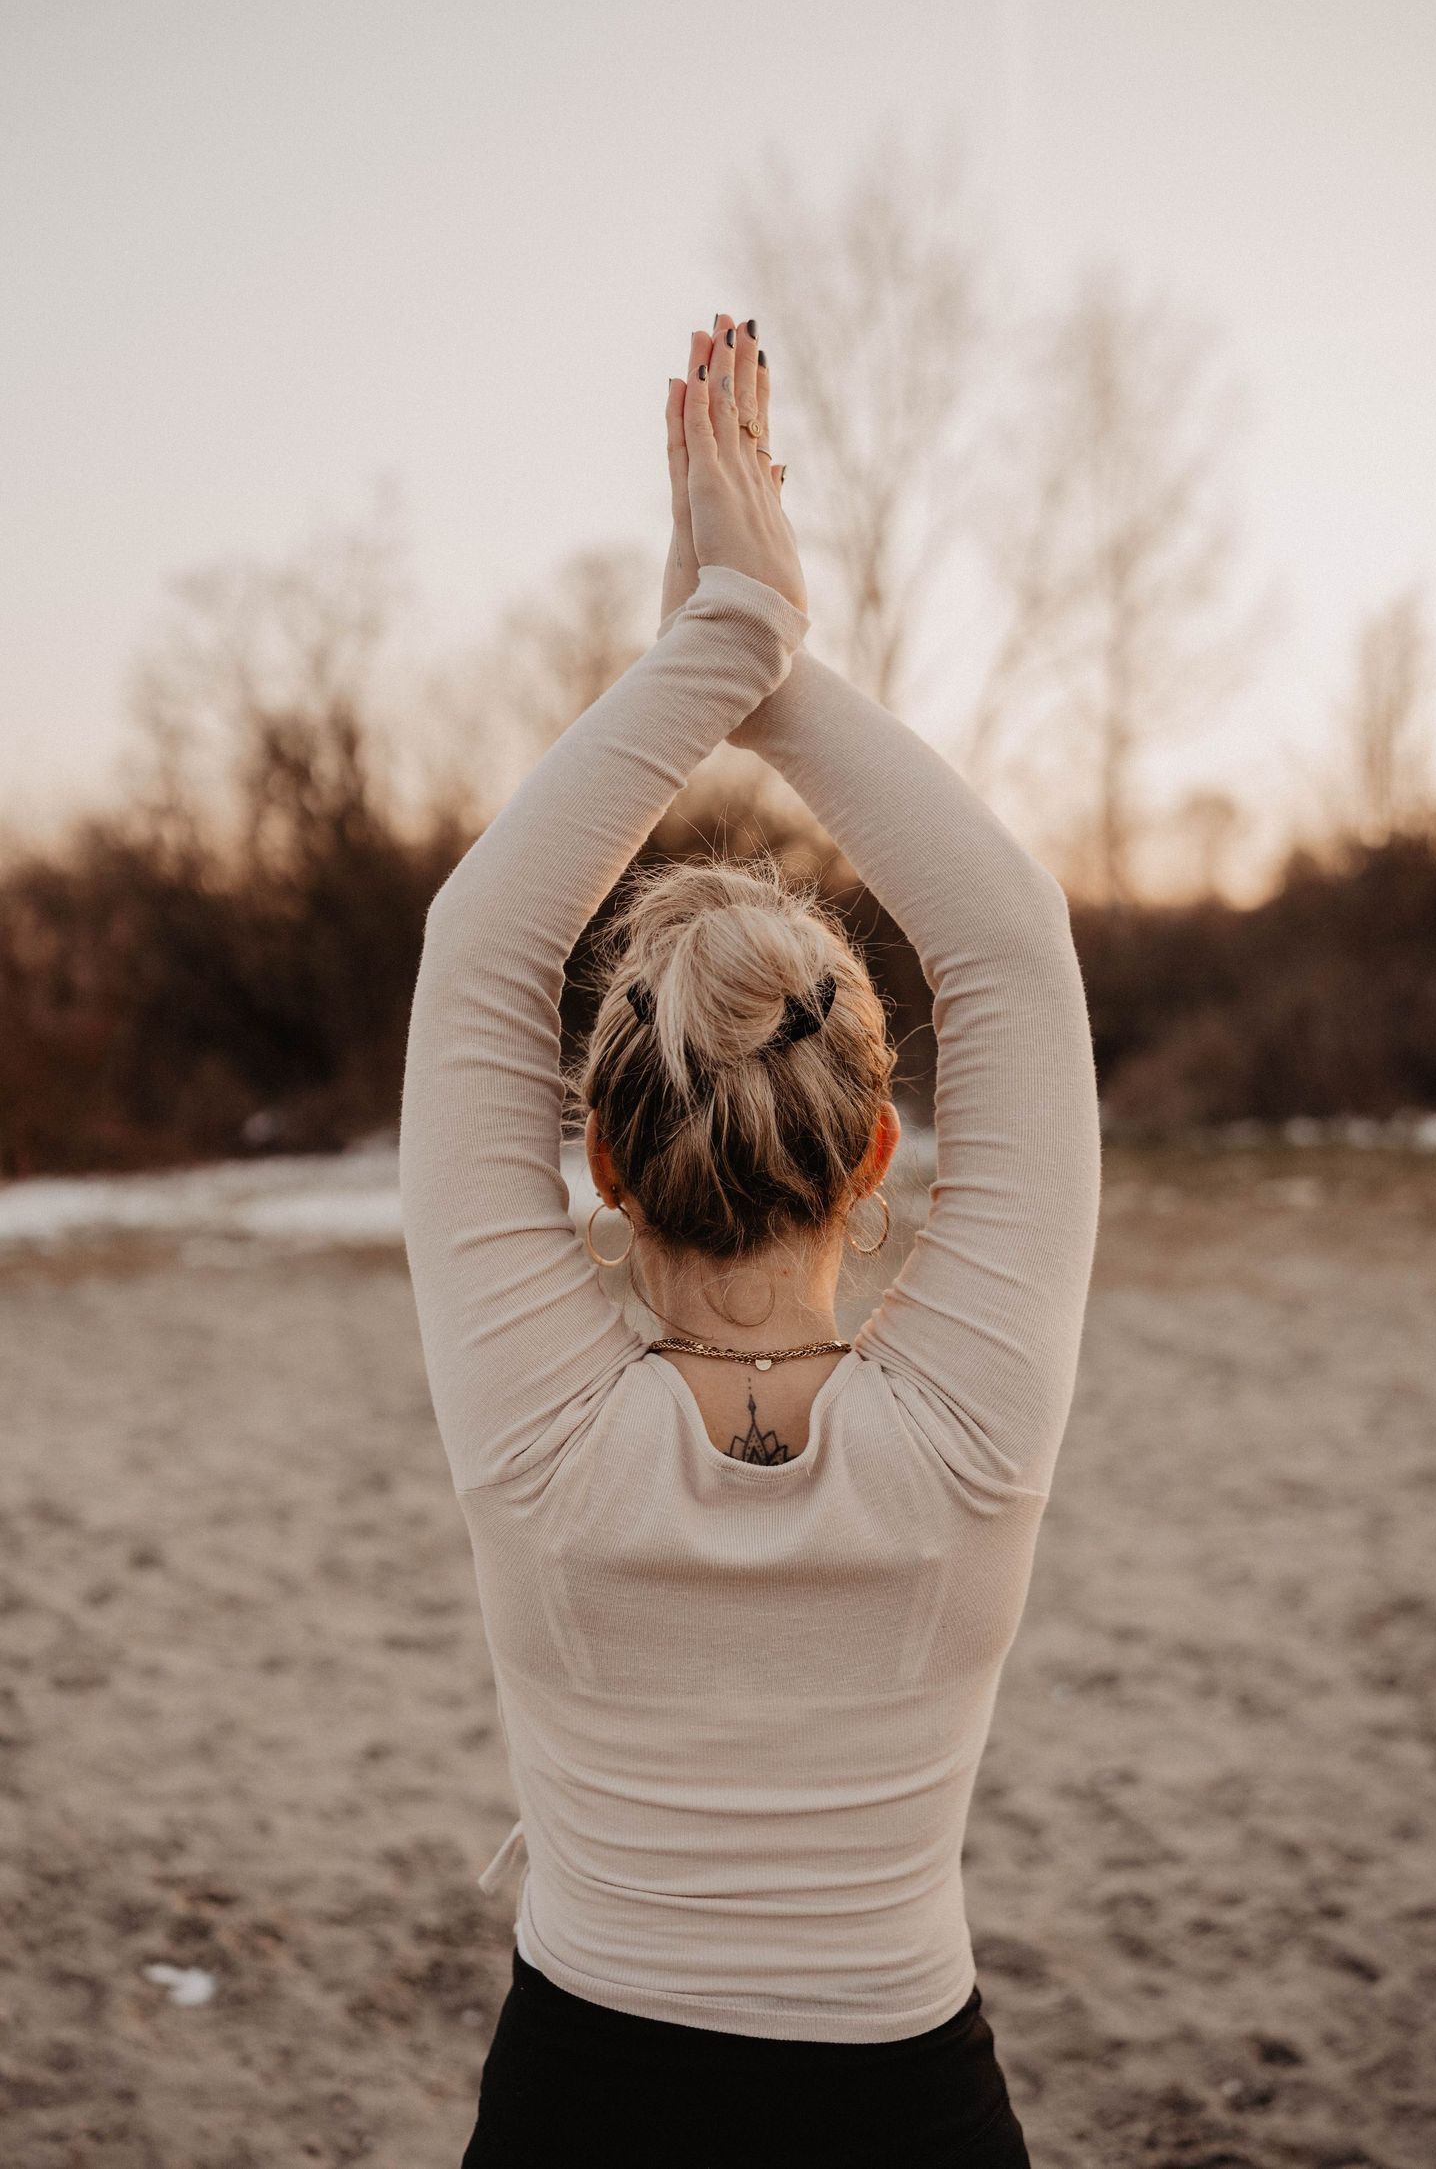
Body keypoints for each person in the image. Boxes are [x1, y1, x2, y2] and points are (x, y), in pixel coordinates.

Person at [399, 312, 1102, 2166]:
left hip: (582, 2108)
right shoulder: (964, 1433)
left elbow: (481, 950)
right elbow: (1014, 947)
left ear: (604, 1170)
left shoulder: (543, 1430)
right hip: (909, 2111)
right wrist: (762, 656)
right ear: (879, 1145)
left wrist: (715, 640)